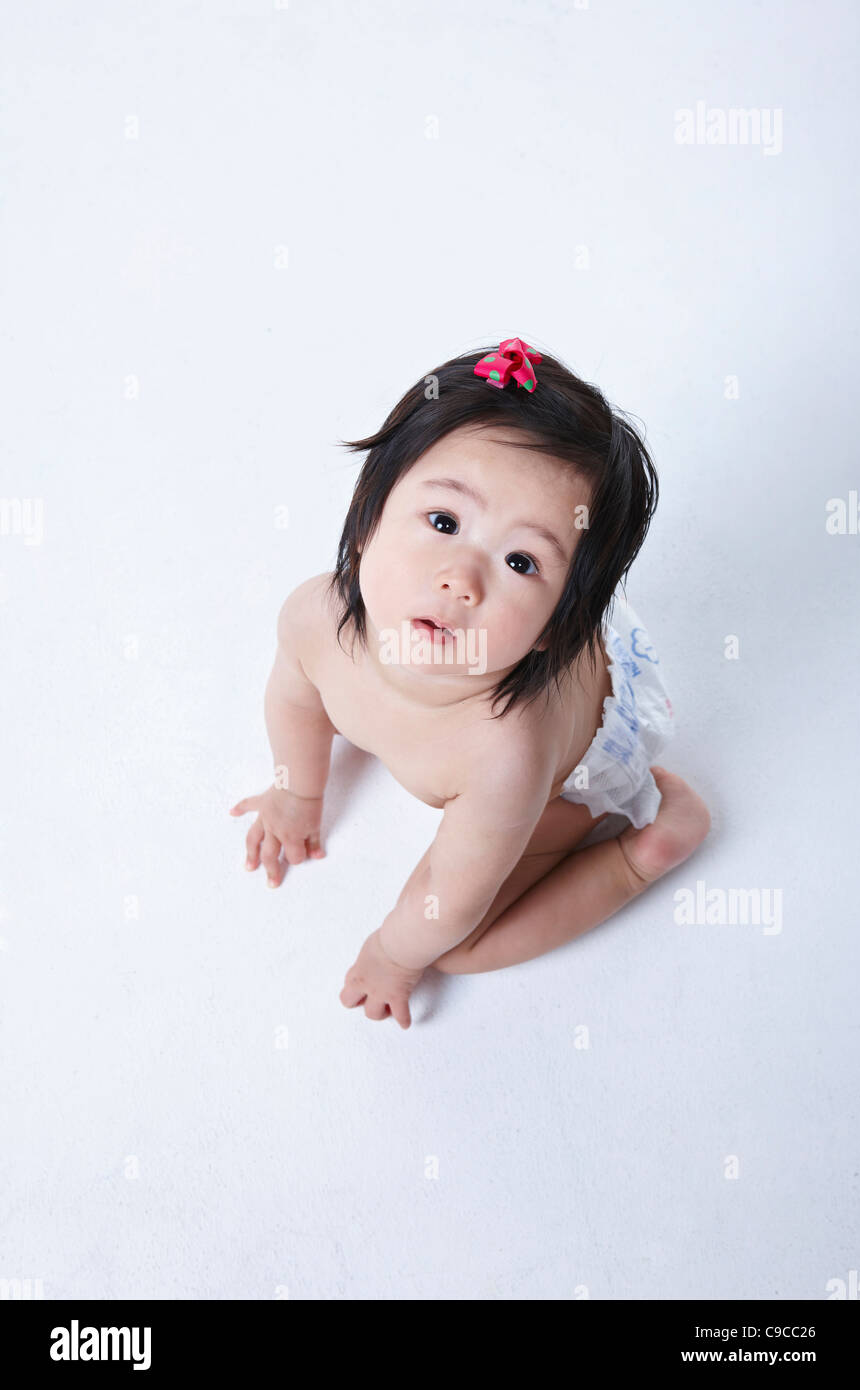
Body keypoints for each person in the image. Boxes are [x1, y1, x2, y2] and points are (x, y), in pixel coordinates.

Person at [230, 337, 711, 1028]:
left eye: (521, 561)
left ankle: (638, 858)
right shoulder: (316, 617)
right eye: (444, 521)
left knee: (461, 946)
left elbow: (449, 895)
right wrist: (295, 792)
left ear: (554, 624)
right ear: (369, 517)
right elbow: (295, 697)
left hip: (583, 756)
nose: (461, 579)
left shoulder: (503, 755)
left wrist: (396, 954)